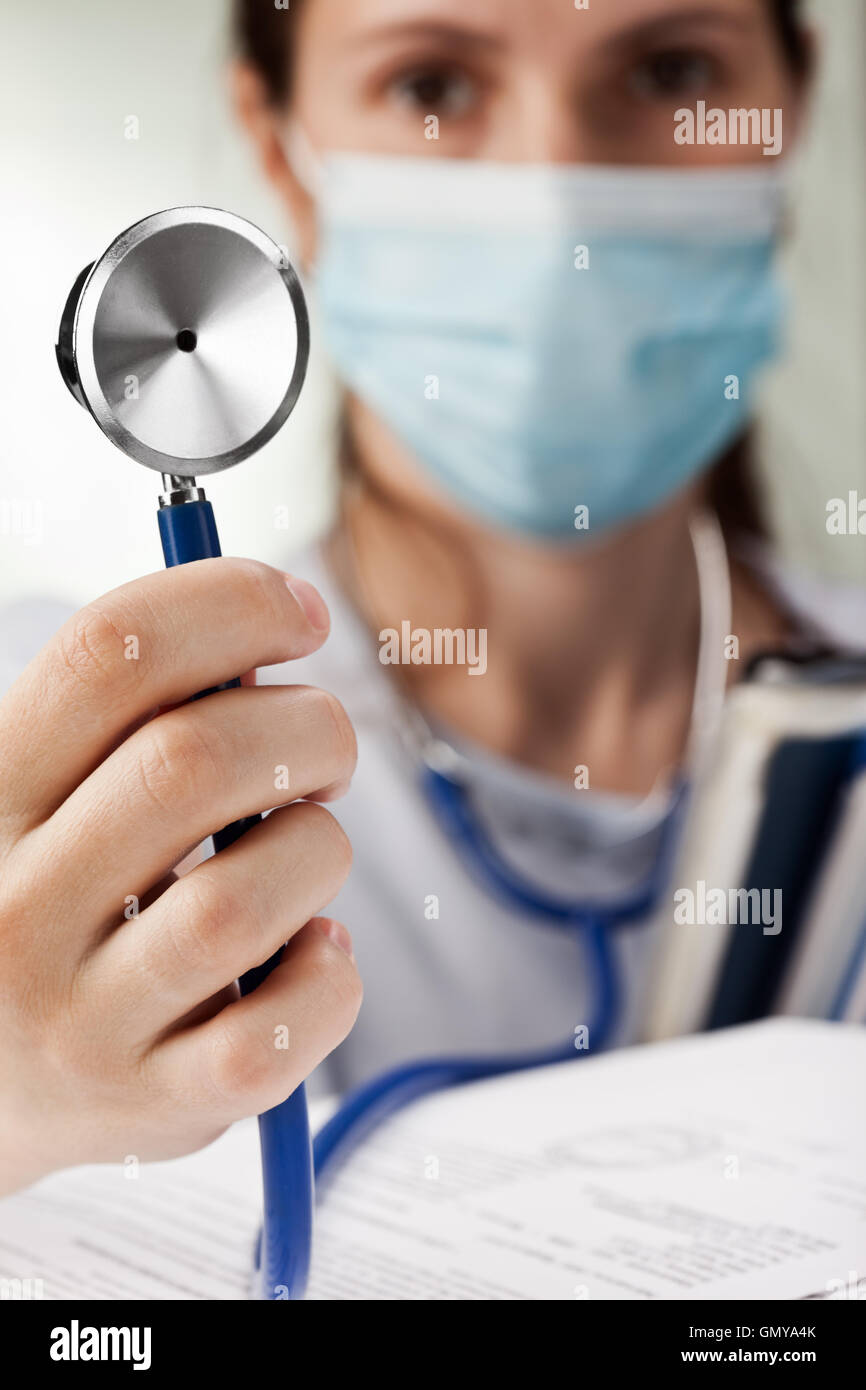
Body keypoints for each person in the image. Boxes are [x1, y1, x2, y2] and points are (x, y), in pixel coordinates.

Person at [0, 0, 860, 1196]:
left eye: (669, 71)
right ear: (275, 140)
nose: (554, 185)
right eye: (432, 87)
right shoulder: (45, 762)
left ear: (788, 111)